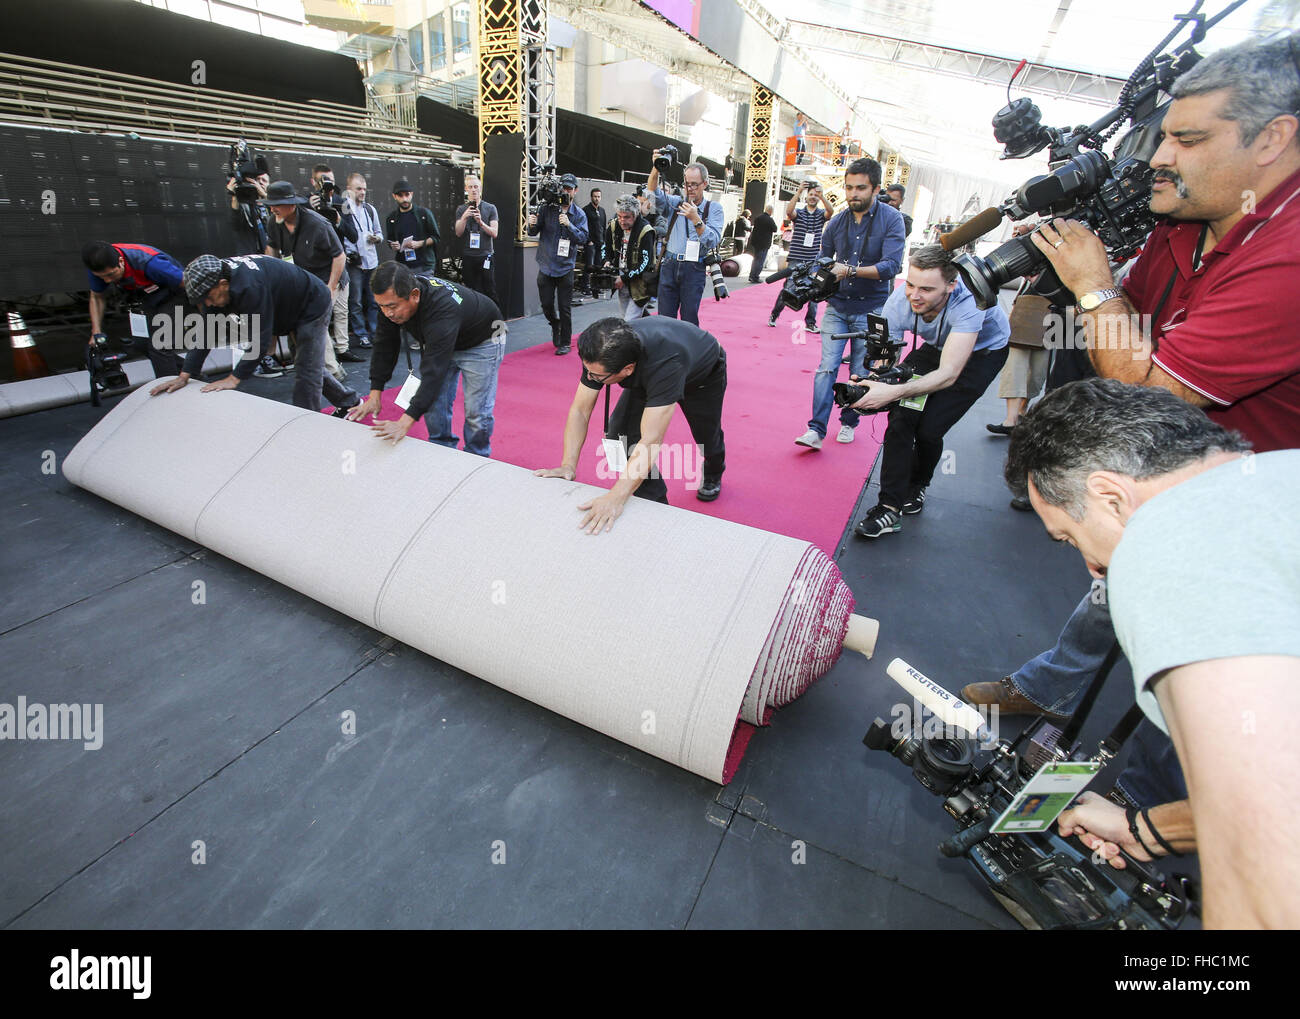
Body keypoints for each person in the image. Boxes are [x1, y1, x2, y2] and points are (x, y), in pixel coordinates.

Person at [964, 31, 1300, 723]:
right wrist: (1093, 295)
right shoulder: (1188, 219)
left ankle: (1155, 802)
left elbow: (1151, 388)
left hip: (1260, 513)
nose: (1162, 157)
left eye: (1188, 139)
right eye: (1163, 136)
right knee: (1112, 590)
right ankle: (1052, 692)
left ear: (1273, 140)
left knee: (1208, 687)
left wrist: (1091, 284)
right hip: (1184, 469)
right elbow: (1128, 331)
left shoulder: (1289, 251)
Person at [1004, 378, 1300, 929]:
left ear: (1111, 497)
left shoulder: (1171, 550)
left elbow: (1268, 870)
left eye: (1069, 537)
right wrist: (1143, 831)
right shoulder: (1280, 475)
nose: (1092, 567)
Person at [850, 245, 1009, 538]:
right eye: (910, 284)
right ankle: (889, 508)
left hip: (981, 354)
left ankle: (918, 484)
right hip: (935, 349)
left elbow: (949, 374)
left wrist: (892, 393)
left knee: (929, 430)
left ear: (951, 285)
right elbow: (886, 355)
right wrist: (876, 384)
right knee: (901, 420)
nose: (915, 295)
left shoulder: (970, 301)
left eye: (926, 289)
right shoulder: (900, 299)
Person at [534, 316, 727, 523]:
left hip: (702, 376)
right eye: (588, 371)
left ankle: (714, 470)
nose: (589, 378)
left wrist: (615, 496)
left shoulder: (665, 364)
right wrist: (568, 465)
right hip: (649, 366)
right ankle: (655, 504)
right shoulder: (599, 352)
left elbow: (651, 440)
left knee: (705, 434)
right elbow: (580, 410)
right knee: (620, 436)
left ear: (627, 370)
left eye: (597, 377)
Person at [152, 254, 360, 415]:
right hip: (285, 306)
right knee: (308, 363)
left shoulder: (248, 287)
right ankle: (350, 401)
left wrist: (234, 379)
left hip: (312, 304)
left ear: (223, 284)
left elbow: (260, 341)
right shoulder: (213, 284)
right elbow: (206, 331)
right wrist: (184, 375)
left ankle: (306, 425)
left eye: (208, 298)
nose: (207, 304)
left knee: (307, 369)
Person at [794, 157, 905, 450]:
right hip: (838, 306)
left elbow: (892, 266)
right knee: (826, 368)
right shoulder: (837, 222)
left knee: (859, 369)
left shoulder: (891, 219)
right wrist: (819, 277)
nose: (853, 193)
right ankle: (816, 429)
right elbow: (823, 260)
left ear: (875, 188)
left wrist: (851, 271)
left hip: (873, 307)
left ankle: (849, 421)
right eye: (849, 187)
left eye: (860, 188)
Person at [345, 263, 504, 455]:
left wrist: (404, 423)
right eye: (382, 306)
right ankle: (441, 449)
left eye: (392, 307)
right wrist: (375, 393)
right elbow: (384, 345)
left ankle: (477, 456)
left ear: (414, 295)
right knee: (435, 404)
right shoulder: (390, 302)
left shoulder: (442, 310)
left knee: (476, 411)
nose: (388, 313)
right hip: (446, 336)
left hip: (484, 338)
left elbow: (433, 373)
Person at [262, 180, 351, 383]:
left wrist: (330, 287)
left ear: (292, 204)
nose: (272, 208)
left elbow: (339, 257)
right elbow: (272, 249)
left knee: (315, 322)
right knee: (298, 322)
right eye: (270, 203)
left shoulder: (317, 224)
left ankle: (333, 372)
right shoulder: (273, 223)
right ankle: (308, 369)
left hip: (326, 276)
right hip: (300, 279)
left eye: (277, 203)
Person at [81, 240, 189, 380]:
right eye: (102, 277)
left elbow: (186, 283)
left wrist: (204, 311)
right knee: (141, 343)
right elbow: (97, 297)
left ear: (121, 261)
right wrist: (96, 331)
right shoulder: (99, 269)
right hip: (147, 297)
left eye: (111, 275)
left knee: (159, 345)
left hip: (176, 294)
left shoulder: (150, 263)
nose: (107, 281)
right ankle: (193, 375)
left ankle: (169, 393)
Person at [646, 156, 725, 325]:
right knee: (664, 320)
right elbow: (652, 194)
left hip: (694, 268)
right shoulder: (676, 203)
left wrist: (695, 219)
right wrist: (656, 167)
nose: (689, 188)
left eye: (694, 184)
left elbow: (713, 240)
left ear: (705, 183)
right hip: (670, 264)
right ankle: (667, 351)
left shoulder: (714, 208)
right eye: (687, 183)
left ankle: (689, 351)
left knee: (689, 320)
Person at [307, 164, 363, 367]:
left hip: (340, 265)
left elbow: (354, 234)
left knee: (342, 310)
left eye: (330, 180)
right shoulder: (306, 204)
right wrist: (312, 211)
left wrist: (338, 218)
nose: (327, 184)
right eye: (322, 180)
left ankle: (343, 348)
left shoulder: (342, 203)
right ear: (314, 182)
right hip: (317, 268)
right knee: (322, 312)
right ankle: (325, 354)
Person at [527, 173, 588, 355]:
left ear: (575, 191)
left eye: (570, 188)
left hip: (565, 267)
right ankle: (555, 324)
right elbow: (533, 232)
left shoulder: (579, 214)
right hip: (546, 265)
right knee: (546, 305)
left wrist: (569, 225)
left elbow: (583, 238)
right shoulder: (547, 209)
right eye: (564, 188)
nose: (566, 191)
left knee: (565, 307)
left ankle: (565, 342)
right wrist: (531, 224)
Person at [770, 180, 833, 330]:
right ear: (806, 197)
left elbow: (830, 212)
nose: (813, 197)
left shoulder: (820, 215)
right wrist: (798, 192)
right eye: (811, 195)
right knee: (789, 287)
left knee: (815, 290)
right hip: (796, 257)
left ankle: (810, 323)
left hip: (813, 259)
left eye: (816, 195)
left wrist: (822, 196)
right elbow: (789, 212)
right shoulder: (800, 214)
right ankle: (774, 314)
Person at [342, 172, 383, 351]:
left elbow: (380, 233)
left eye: (364, 189)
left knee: (374, 300)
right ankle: (361, 334)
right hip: (354, 263)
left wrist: (377, 238)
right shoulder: (343, 209)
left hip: (371, 260)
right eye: (358, 189)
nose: (362, 192)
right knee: (356, 301)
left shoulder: (370, 209)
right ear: (349, 190)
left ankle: (374, 332)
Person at [604, 194, 658, 321]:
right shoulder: (613, 226)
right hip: (621, 277)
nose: (622, 220)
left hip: (640, 283)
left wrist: (624, 278)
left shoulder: (645, 230)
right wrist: (606, 261)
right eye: (619, 216)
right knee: (626, 318)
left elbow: (645, 263)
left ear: (635, 215)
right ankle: (648, 331)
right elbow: (605, 247)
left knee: (629, 321)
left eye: (627, 217)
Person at [453, 174, 499, 307]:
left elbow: (494, 233)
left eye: (476, 187)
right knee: (470, 289)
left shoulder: (490, 208)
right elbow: (458, 232)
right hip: (469, 256)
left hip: (486, 255)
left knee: (489, 288)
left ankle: (496, 318)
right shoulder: (461, 209)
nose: (474, 190)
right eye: (470, 187)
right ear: (466, 189)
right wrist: (464, 218)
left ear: (480, 189)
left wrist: (481, 223)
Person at [386, 178, 440, 276]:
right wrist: (394, 245)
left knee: (424, 290)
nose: (404, 199)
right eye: (400, 195)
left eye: (407, 195)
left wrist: (419, 243)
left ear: (412, 194)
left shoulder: (424, 213)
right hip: (403, 266)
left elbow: (436, 237)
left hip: (424, 266)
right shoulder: (391, 218)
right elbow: (390, 240)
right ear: (394, 196)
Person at [227, 160, 270, 256]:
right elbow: (235, 223)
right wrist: (234, 195)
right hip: (252, 255)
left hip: (271, 255)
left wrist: (264, 195)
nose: (260, 183)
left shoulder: (273, 204)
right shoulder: (244, 204)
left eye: (264, 180)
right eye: (257, 180)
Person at [580, 188, 607, 297]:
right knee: (589, 265)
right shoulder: (585, 210)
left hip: (600, 242)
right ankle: (585, 287)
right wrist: (588, 240)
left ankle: (597, 287)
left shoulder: (602, 211)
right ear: (591, 197)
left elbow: (604, 227)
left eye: (598, 196)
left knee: (598, 266)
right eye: (595, 196)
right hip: (590, 243)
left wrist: (604, 241)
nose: (597, 198)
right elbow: (583, 227)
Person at [748, 205, 778, 283]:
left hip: (756, 242)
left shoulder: (758, 218)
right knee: (760, 260)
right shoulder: (770, 220)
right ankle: (755, 276)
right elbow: (775, 229)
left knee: (755, 259)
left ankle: (751, 275)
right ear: (771, 211)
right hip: (764, 243)